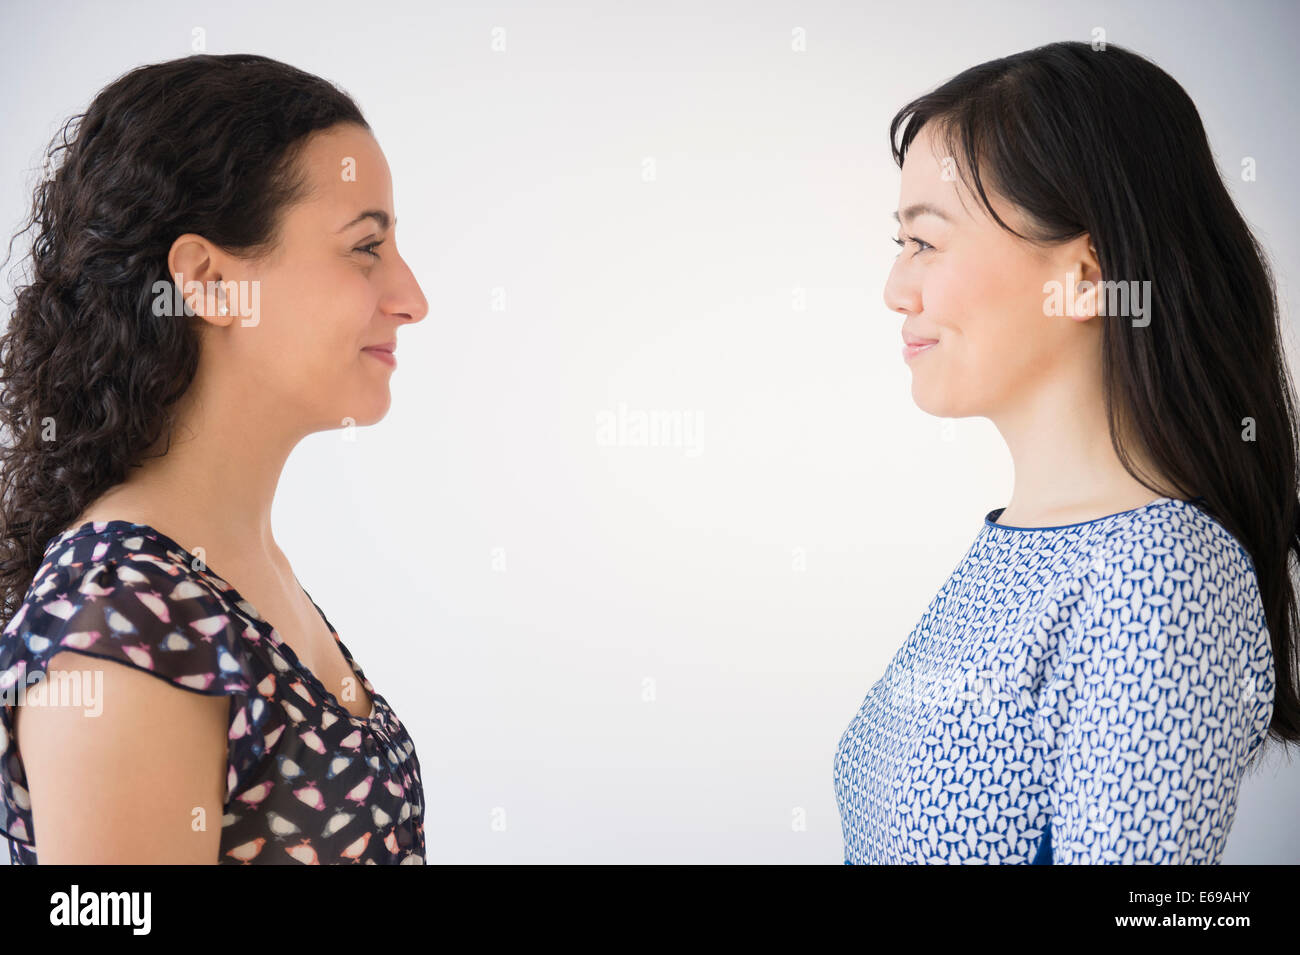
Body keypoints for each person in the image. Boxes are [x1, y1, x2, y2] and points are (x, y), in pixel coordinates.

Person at [834, 40, 1300, 864]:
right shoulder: (1017, 546)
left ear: (1086, 277)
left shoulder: (1161, 573)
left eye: (926, 242)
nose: (894, 289)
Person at [0, 53, 429, 864]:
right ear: (208, 280)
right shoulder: (122, 619)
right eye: (366, 246)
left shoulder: (230, 569)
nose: (411, 297)